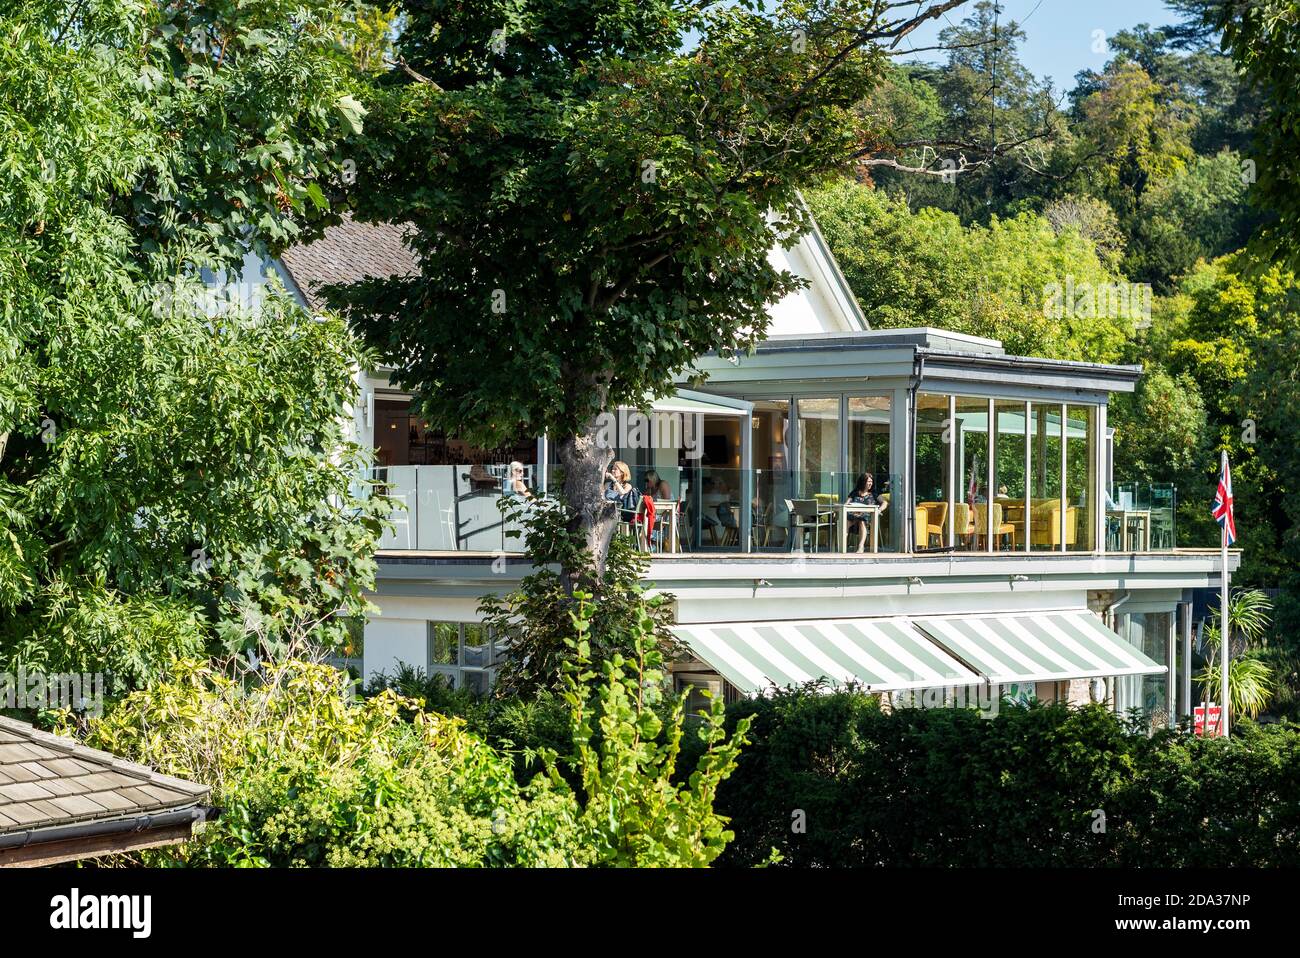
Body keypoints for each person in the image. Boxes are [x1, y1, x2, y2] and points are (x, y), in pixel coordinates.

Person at [845, 472, 885, 554]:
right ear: (863, 482)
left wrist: (879, 510)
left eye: (871, 481)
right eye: (868, 481)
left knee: (861, 521)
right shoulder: (855, 492)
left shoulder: (874, 493)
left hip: (867, 516)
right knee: (846, 522)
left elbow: (885, 503)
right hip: (853, 514)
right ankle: (843, 545)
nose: (870, 483)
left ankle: (861, 546)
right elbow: (847, 503)